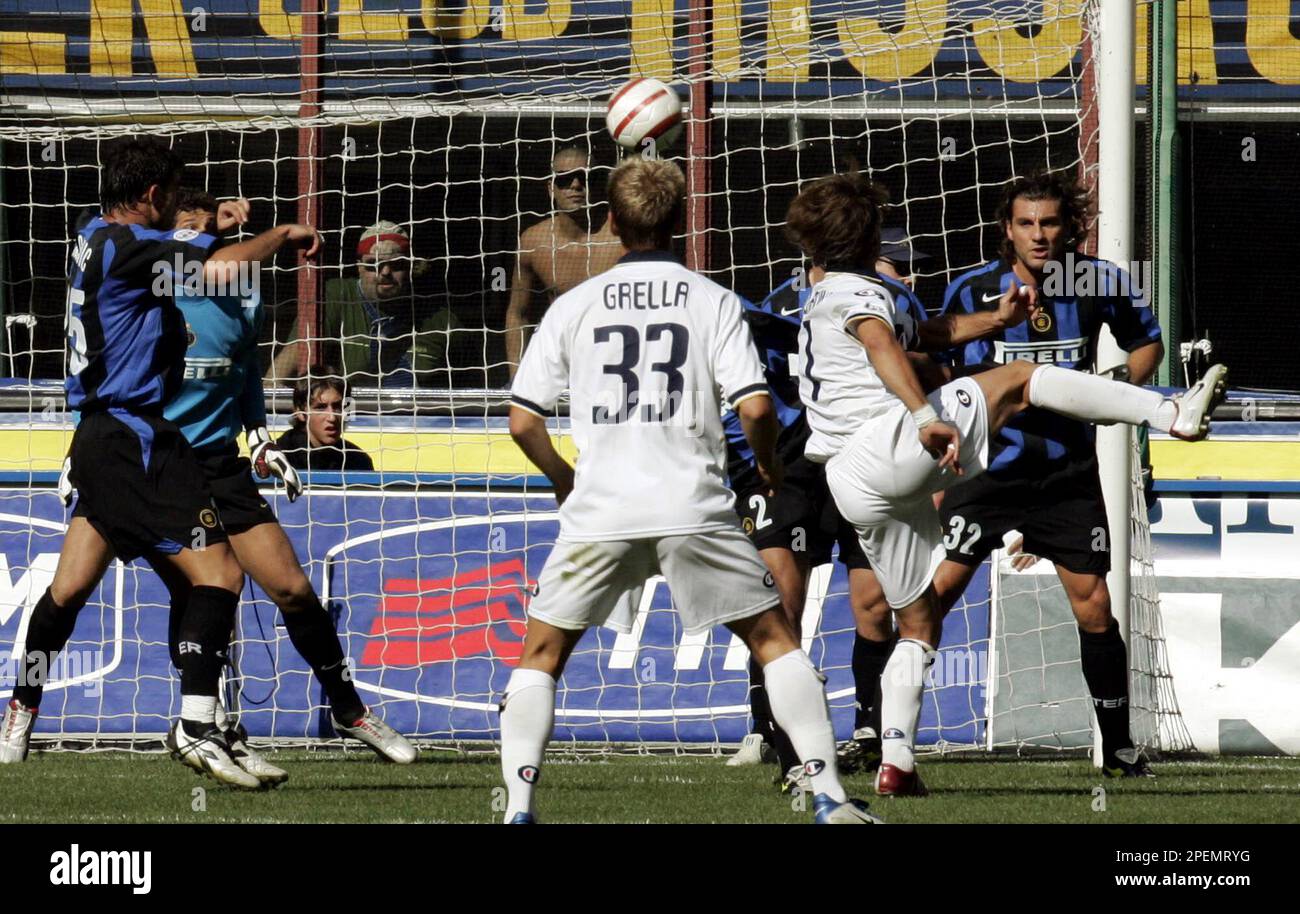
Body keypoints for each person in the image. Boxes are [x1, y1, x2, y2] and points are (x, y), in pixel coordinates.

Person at [787, 170, 1225, 797]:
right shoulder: (866, 294)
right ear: (866, 236)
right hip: (888, 448)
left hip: (853, 481)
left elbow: (928, 335)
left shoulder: (825, 291)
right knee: (1020, 376)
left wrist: (993, 319)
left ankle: (897, 763)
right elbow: (883, 342)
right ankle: (1170, 412)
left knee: (917, 624)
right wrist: (924, 415)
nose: (1040, 233)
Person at [499, 156, 881, 824]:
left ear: (612, 223)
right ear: (682, 221)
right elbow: (757, 409)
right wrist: (767, 467)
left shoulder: (574, 305)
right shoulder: (712, 300)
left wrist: (565, 478)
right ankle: (828, 798)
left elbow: (523, 421)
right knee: (774, 641)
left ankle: (519, 810)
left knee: (542, 654)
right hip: (693, 502)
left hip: (602, 507)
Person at [0, 139, 320, 788]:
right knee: (220, 575)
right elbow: (222, 271)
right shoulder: (136, 251)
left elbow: (178, 250)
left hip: (102, 438)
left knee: (69, 592)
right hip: (136, 437)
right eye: (173, 198)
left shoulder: (93, 235)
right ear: (151, 198)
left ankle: (25, 707)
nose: (179, 210)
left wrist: (214, 219)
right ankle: (198, 726)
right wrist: (282, 233)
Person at [150, 191, 412, 784]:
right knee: (191, 588)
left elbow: (243, 373)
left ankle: (349, 711)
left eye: (209, 225)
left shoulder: (243, 288)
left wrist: (260, 436)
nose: (199, 233)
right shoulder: (157, 277)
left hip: (221, 462)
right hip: (162, 462)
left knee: (292, 587)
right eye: (191, 223)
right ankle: (201, 725)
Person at [933, 170, 1167, 779]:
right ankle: (884, 736)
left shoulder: (1097, 281)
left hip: (1066, 473)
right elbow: (935, 373)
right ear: (1006, 230)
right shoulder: (972, 292)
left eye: (1051, 223)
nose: (1039, 235)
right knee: (931, 601)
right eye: (1026, 224)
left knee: (1094, 607)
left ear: (1070, 227)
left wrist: (1117, 393)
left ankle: (1117, 746)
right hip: (985, 475)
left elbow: (1147, 342)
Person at [723, 231, 936, 785]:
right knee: (780, 602)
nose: (907, 277)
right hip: (790, 467)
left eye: (914, 269)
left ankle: (871, 729)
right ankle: (777, 740)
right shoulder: (773, 305)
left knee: (872, 603)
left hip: (862, 458)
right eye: (899, 265)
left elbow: (930, 352)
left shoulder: (894, 305)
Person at [270, 221, 460, 387]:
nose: (385, 272)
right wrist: (266, 410)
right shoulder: (337, 296)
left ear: (410, 267)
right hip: (347, 415)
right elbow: (294, 355)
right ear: (359, 267)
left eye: (396, 264)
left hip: (416, 421)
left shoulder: (437, 319)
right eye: (373, 264)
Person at [504, 147, 625, 378]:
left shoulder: (623, 237)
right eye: (564, 179)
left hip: (618, 364)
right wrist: (516, 379)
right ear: (551, 188)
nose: (576, 185)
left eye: (585, 177)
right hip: (562, 363)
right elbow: (518, 313)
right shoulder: (535, 241)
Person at [275, 369, 374, 473]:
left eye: (337, 407)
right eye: (320, 408)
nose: (332, 417)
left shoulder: (358, 460)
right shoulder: (279, 456)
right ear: (300, 412)